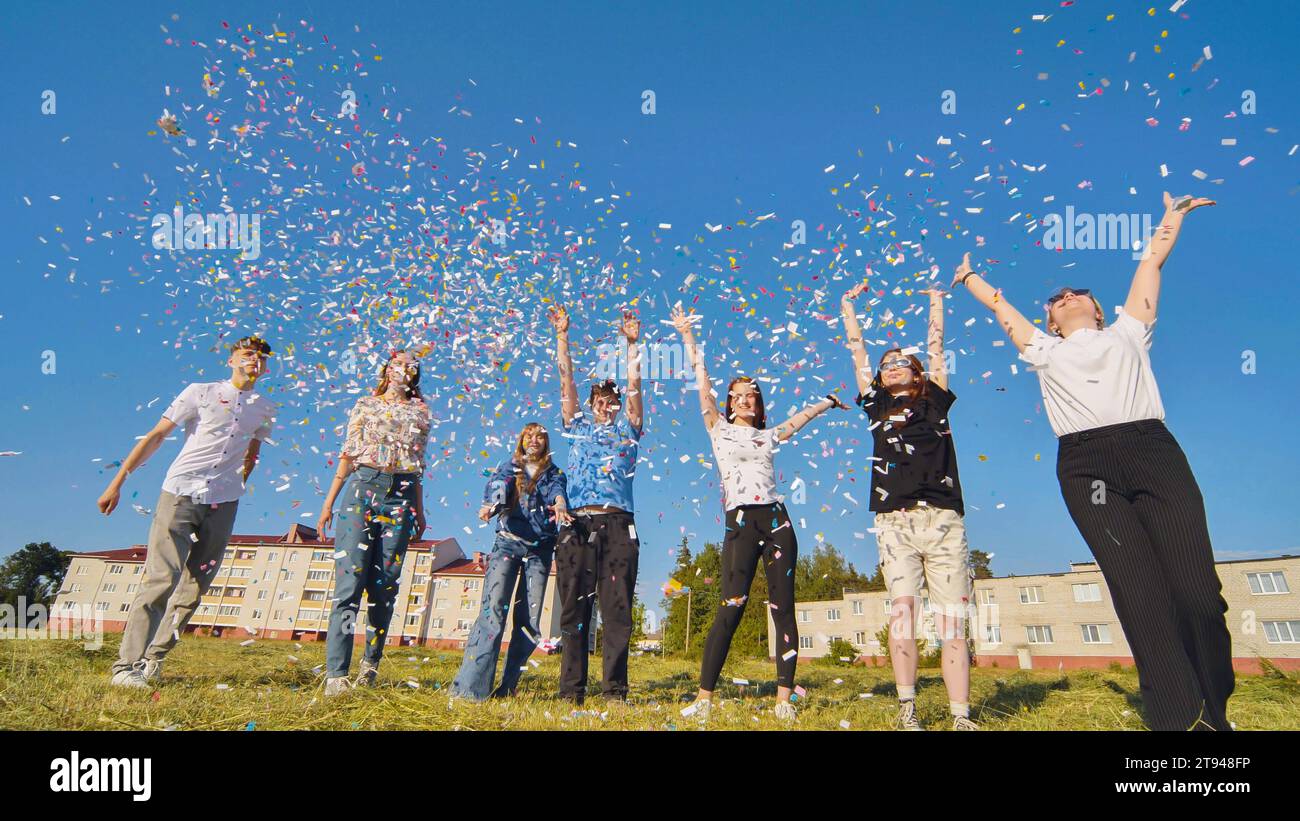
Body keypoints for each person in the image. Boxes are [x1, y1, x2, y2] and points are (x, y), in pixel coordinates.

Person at [951, 192, 1234, 731]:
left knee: (1198, 593)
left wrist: (1171, 219)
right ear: (1051, 322)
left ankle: (1215, 707)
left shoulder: (1130, 331)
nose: (1066, 296)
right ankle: (1178, 721)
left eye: (1077, 291)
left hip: (1153, 453)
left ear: (1100, 309)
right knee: (1139, 595)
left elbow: (1150, 262)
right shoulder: (1043, 351)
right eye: (1055, 299)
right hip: (1086, 469)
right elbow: (1000, 308)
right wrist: (969, 280)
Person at [669, 303, 847, 722]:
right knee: (731, 606)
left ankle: (784, 699)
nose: (747, 399)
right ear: (730, 403)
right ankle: (704, 698)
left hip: (776, 520)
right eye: (740, 395)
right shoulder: (718, 427)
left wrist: (825, 404)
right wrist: (687, 336)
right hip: (740, 521)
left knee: (782, 607)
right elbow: (703, 383)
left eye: (753, 395)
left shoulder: (768, 436)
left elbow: (797, 423)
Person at [100, 335, 276, 688]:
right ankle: (126, 666)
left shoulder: (265, 408)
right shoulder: (201, 392)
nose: (253, 361)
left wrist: (236, 484)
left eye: (260, 357)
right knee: (161, 579)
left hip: (224, 502)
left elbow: (251, 455)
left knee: (196, 587)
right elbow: (157, 435)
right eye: (246, 354)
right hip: (180, 493)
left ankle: (154, 659)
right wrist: (118, 480)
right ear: (230, 360)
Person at [841, 279, 978, 730]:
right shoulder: (876, 405)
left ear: (917, 373)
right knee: (902, 612)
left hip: (942, 519)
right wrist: (848, 307)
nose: (893, 366)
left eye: (903, 362)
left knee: (952, 620)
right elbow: (858, 353)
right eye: (887, 364)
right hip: (893, 522)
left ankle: (961, 716)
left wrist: (937, 302)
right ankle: (908, 711)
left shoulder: (935, 400)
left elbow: (937, 350)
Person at [317, 349, 431, 696]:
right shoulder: (365, 404)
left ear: (414, 376)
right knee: (348, 586)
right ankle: (337, 674)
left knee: (384, 587)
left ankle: (370, 663)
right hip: (363, 487)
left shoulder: (421, 411)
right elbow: (348, 453)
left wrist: (420, 510)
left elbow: (417, 463)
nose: (404, 369)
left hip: (402, 494)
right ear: (387, 370)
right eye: (398, 363)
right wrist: (328, 504)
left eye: (411, 366)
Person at [546, 304, 645, 705]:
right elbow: (565, 381)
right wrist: (562, 336)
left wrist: (632, 346)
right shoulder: (577, 428)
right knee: (573, 610)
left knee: (617, 611)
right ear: (590, 403)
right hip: (578, 526)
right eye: (600, 398)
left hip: (620, 526)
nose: (607, 404)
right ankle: (571, 692)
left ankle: (615, 692)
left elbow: (636, 393)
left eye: (612, 399)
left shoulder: (629, 431)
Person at [451, 423, 571, 700]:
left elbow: (557, 489)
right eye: (529, 435)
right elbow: (500, 486)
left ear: (546, 443)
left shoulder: (554, 472)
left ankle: (508, 687)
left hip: (540, 549)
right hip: (507, 542)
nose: (535, 440)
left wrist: (560, 501)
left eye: (540, 436)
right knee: (493, 612)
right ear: (521, 440)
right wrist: (490, 505)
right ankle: (470, 690)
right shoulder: (509, 466)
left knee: (528, 620)